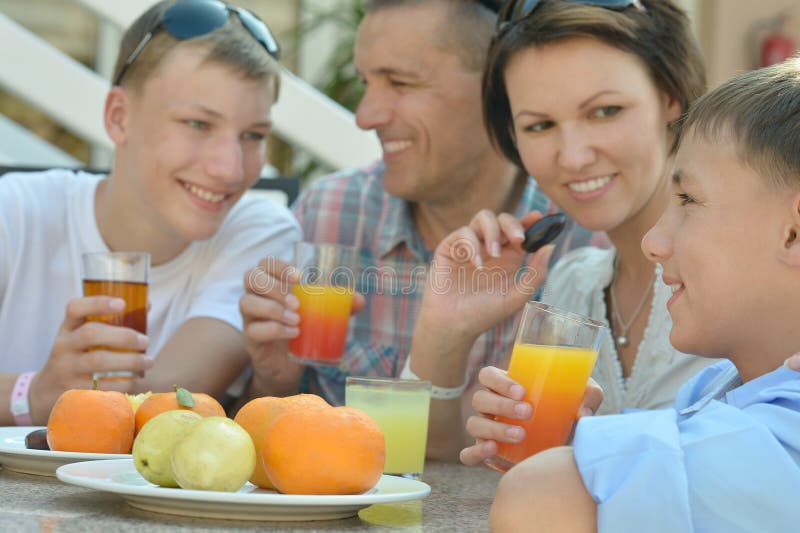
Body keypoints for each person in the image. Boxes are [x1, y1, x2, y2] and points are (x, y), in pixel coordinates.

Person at [237, 0, 606, 458]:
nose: (365, 115)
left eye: (400, 83)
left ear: (497, 92)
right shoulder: (328, 214)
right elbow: (264, 446)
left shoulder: (586, 241)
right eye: (366, 82)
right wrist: (272, 380)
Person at [478, 56, 800, 533]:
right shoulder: (714, 390)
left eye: (688, 200)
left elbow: (538, 497)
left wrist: (578, 465)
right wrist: (579, 445)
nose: (653, 242)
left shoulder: (780, 434)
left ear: (793, 231)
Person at [423, 0, 723, 461]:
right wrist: (446, 331)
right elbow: (448, 459)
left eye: (605, 111)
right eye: (540, 125)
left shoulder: (753, 273)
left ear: (670, 98)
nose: (574, 156)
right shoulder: (573, 288)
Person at [0, 0, 300, 426]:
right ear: (118, 117)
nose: (230, 169)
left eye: (252, 135)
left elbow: (170, 399)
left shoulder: (259, 234)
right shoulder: (15, 211)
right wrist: (32, 393)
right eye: (198, 124)